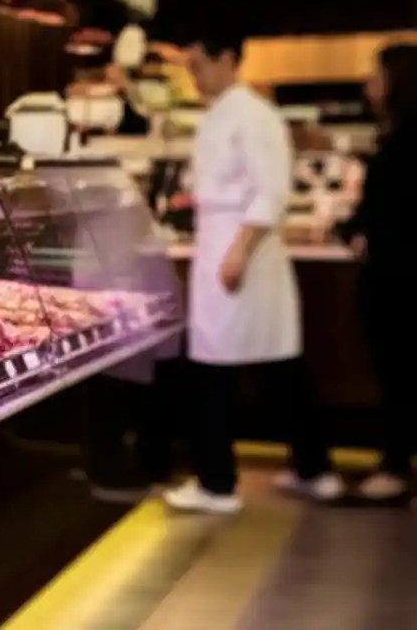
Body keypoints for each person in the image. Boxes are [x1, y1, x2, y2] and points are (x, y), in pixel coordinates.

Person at [163, 30, 341, 514]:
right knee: (273, 365)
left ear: (226, 58)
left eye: (198, 65)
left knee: (219, 369)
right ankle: (313, 469)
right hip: (225, 245)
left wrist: (239, 251)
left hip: (243, 248)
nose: (193, 76)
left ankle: (217, 484)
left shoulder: (254, 115)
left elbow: (272, 191)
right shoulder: (221, 113)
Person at [345, 43, 417, 501]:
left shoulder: (402, 144)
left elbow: (386, 209)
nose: (369, 85)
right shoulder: (397, 138)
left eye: (377, 76)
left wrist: (354, 230)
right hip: (396, 273)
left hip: (398, 278)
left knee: (398, 374)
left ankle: (395, 468)